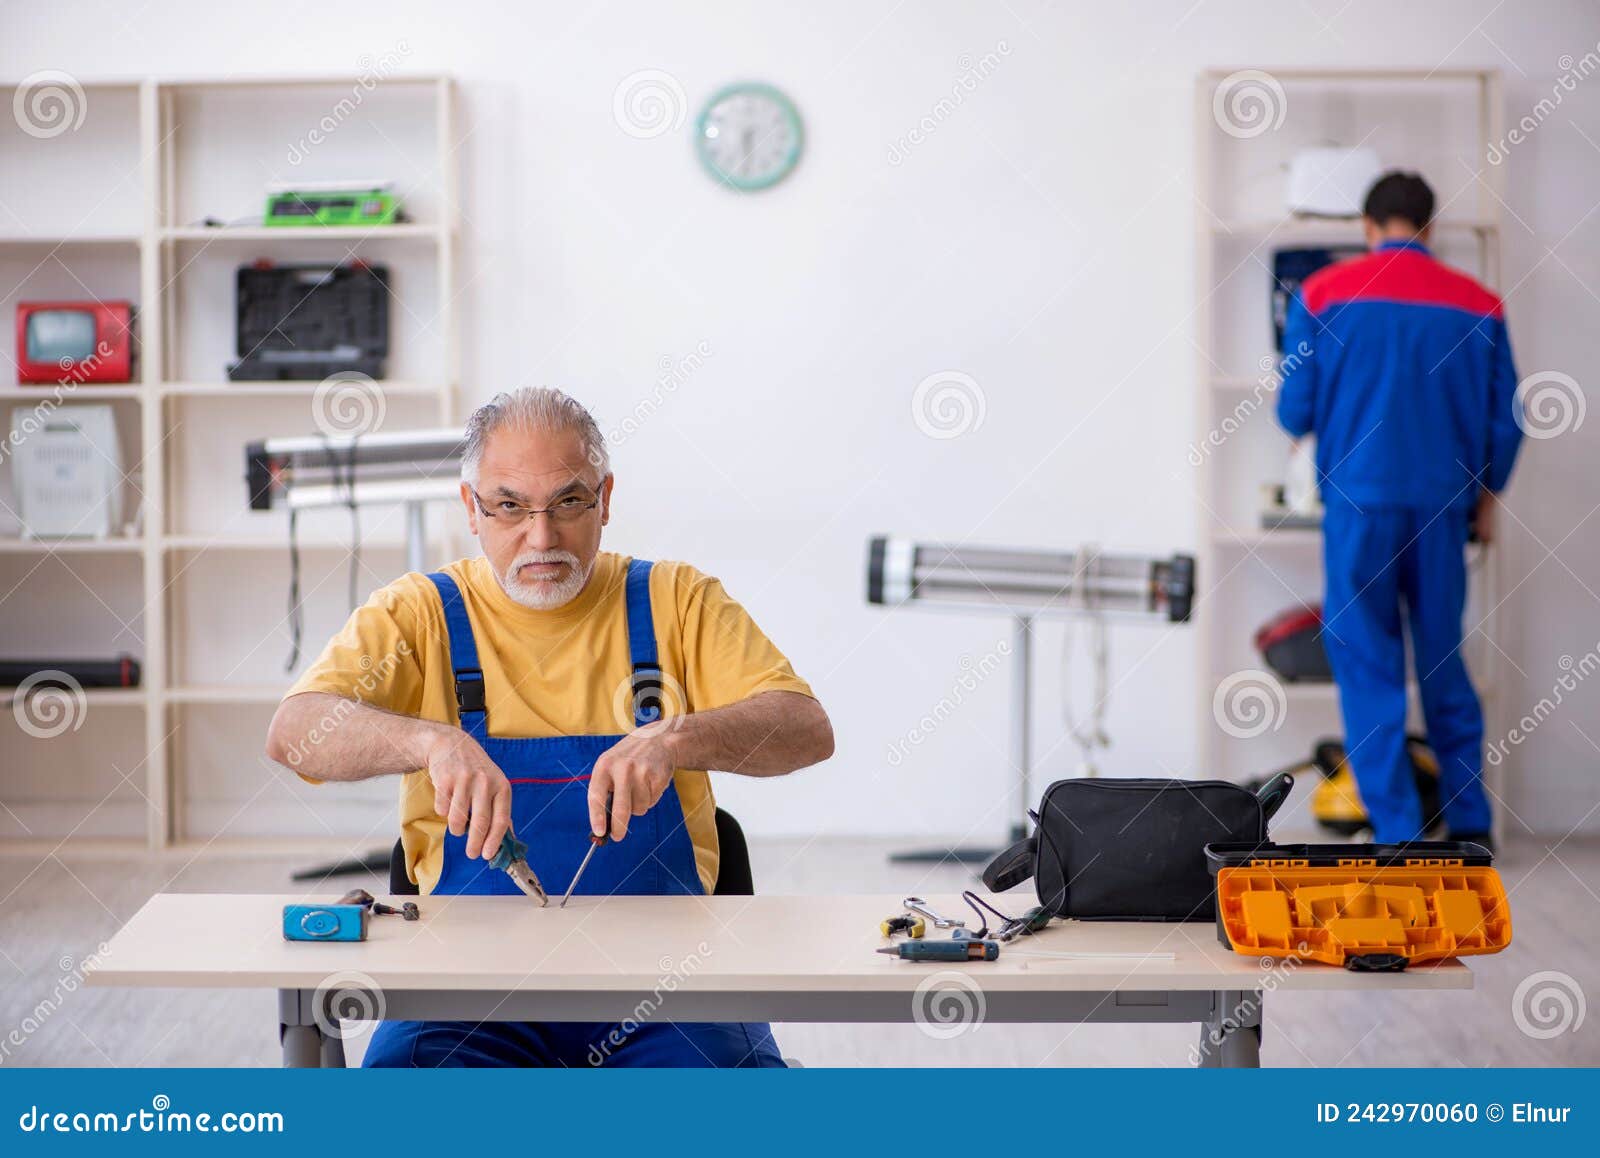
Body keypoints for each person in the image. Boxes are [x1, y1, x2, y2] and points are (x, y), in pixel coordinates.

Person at [265, 387, 834, 1067]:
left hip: (670, 993)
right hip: (466, 997)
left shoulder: (676, 601)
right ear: (471, 509)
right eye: (509, 506)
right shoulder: (418, 614)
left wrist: (676, 737)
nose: (541, 537)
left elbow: (806, 727)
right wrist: (429, 741)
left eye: (568, 502)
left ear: (606, 498)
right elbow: (294, 732)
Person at [1277, 171, 1523, 848]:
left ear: (1366, 226)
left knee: (1368, 665)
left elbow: (1293, 409)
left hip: (1359, 506)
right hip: (1444, 506)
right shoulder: (1481, 304)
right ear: (1430, 227)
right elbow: (1508, 426)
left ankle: (1396, 834)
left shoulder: (1321, 295)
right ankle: (1472, 828)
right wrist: (1487, 498)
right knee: (1444, 658)